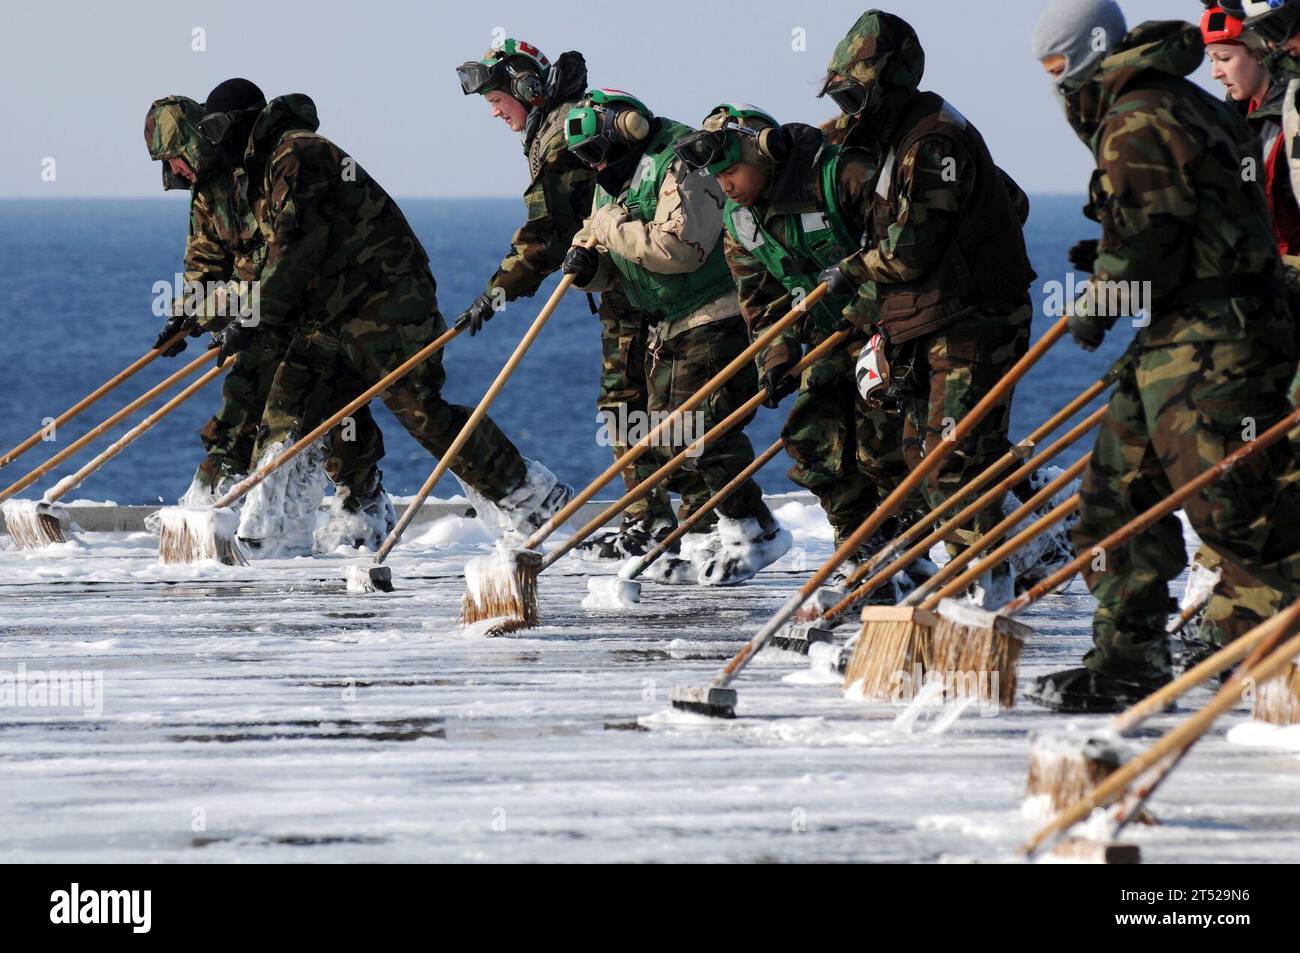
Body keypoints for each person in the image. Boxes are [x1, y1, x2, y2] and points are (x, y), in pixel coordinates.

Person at [1029, 0, 1300, 712]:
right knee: (1118, 492)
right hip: (1180, 332)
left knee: (1232, 507)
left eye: (1059, 66)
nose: (1055, 83)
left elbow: (1149, 241)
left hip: (1219, 341)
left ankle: (1269, 620)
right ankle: (1128, 656)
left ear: (1090, 52)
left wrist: (1095, 306)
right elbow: (1176, 222)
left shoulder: (1138, 116)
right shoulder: (1169, 102)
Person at [196, 78, 573, 546]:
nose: (212, 143)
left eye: (214, 128)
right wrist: (235, 317)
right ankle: (290, 527)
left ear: (239, 123)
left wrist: (255, 318)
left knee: (420, 412)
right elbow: (268, 256)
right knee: (297, 404)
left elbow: (295, 250)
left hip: (387, 300)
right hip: (332, 310)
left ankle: (530, 496)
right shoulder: (261, 167)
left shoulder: (297, 155)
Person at [815, 10, 1042, 603]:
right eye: (840, 96)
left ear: (886, 83)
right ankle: (997, 553)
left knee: (953, 459)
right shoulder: (900, 133)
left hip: (970, 321)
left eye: (852, 95)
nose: (846, 110)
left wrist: (853, 271)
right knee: (920, 454)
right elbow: (1010, 198)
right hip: (930, 318)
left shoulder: (932, 138)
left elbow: (911, 252)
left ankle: (980, 586)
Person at [675, 102, 932, 597]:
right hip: (829, 334)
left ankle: (913, 543)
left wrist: (864, 317)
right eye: (717, 177)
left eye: (731, 171)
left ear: (763, 152)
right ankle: (860, 546)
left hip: (893, 321)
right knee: (811, 437)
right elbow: (761, 301)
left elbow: (900, 248)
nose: (725, 186)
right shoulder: (740, 221)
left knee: (883, 444)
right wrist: (776, 358)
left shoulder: (838, 176)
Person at [454, 39, 682, 561]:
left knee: (628, 401)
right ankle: (670, 516)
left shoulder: (558, 139)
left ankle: (655, 522)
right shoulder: (566, 122)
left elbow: (546, 233)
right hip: (642, 274)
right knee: (650, 401)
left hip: (636, 281)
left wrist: (496, 294)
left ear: (526, 89)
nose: (493, 112)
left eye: (496, 99)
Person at [561, 89, 791, 585]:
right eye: (586, 158)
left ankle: (755, 530)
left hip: (715, 312)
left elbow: (677, 250)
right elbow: (620, 259)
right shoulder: (614, 177)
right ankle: (712, 526)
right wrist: (590, 269)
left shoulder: (681, 162)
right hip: (669, 321)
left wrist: (606, 223)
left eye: (598, 152)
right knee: (672, 438)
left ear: (628, 130)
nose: (595, 167)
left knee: (701, 429)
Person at [144, 96, 390, 551]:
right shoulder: (205, 194)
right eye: (168, 163)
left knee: (327, 407)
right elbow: (205, 262)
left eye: (177, 157)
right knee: (241, 399)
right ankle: (218, 501)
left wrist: (248, 308)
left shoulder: (257, 173)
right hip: (260, 311)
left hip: (302, 306)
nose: (175, 170)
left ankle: (356, 504)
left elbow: (290, 249)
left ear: (196, 144)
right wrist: (184, 317)